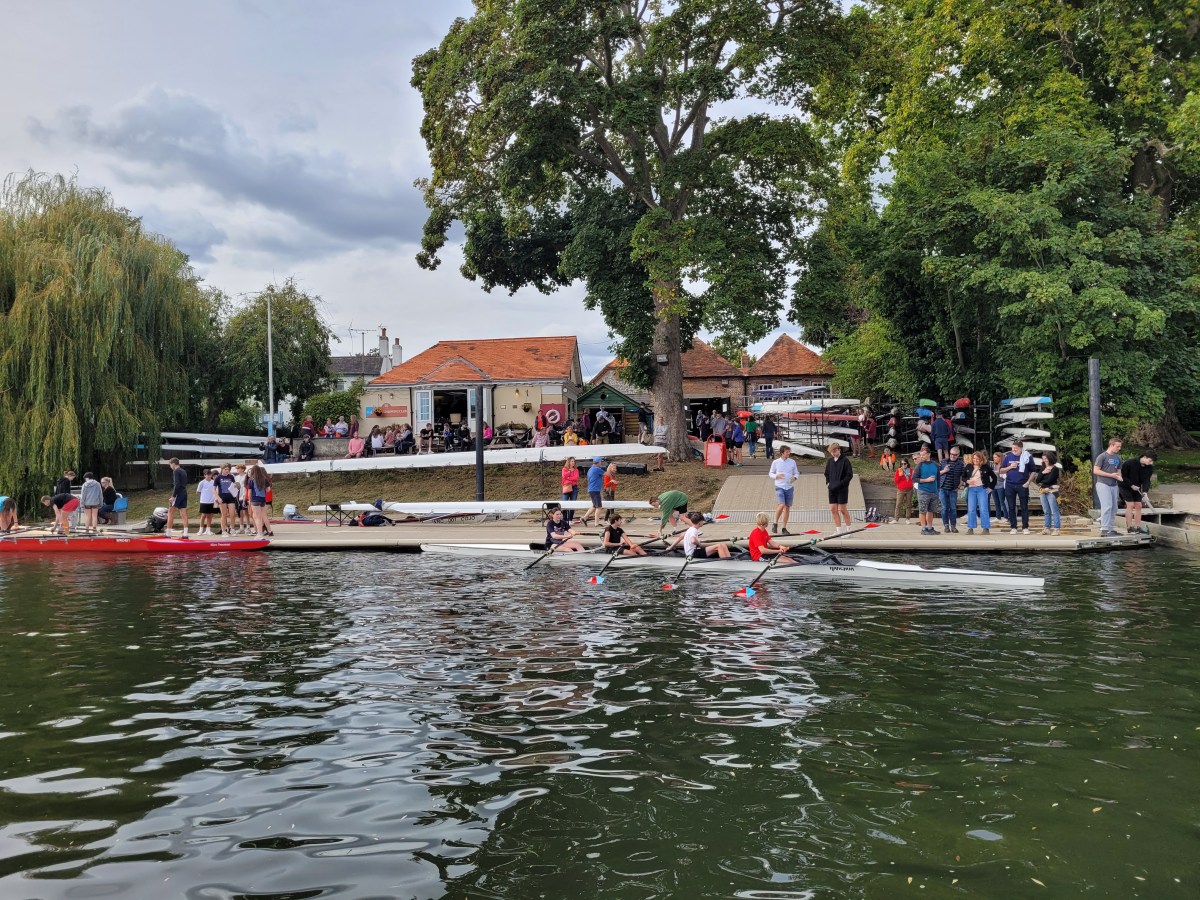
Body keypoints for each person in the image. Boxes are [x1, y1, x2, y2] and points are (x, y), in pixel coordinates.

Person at [999, 439, 1034, 534]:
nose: (1014, 449)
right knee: (1011, 506)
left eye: (1016, 448)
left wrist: (1028, 482)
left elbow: (1033, 471)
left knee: (1024, 507)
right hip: (1010, 485)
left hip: (1022, 484)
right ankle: (1013, 527)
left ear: (1021, 448)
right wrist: (1010, 467)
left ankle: (1025, 527)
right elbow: (1001, 471)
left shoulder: (1027, 457)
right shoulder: (1008, 457)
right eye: (1013, 448)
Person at [1092, 437, 1124, 537]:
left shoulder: (1118, 458)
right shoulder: (1102, 456)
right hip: (1103, 484)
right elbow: (1096, 471)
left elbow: (1118, 471)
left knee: (1114, 507)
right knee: (1107, 505)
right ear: (1111, 445)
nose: (1119, 448)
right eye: (1117, 446)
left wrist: (1120, 478)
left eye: (1120, 446)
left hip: (1114, 485)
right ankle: (1104, 529)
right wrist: (1111, 475)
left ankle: (1110, 528)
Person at [1119, 450, 1156, 534]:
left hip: (1137, 487)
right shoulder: (1129, 463)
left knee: (1139, 505)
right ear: (1144, 457)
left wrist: (1145, 492)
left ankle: (1138, 527)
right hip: (1125, 485)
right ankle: (1129, 527)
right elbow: (1122, 476)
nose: (1151, 463)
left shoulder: (1149, 468)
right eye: (1150, 460)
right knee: (1130, 505)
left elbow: (1147, 481)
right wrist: (1131, 485)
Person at [769, 444, 800, 534]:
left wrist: (795, 478)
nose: (788, 453)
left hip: (789, 487)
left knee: (787, 507)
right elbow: (770, 473)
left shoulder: (792, 462)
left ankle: (784, 528)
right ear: (782, 453)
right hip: (779, 486)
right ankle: (775, 523)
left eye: (789, 452)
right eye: (787, 452)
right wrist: (776, 476)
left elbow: (796, 473)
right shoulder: (776, 462)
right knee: (781, 504)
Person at [823, 442, 853, 534]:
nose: (833, 453)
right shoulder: (830, 461)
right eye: (831, 452)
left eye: (834, 451)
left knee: (842, 510)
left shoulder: (845, 460)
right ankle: (839, 530)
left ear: (839, 450)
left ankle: (849, 531)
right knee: (833, 509)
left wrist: (841, 484)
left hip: (842, 489)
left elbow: (849, 475)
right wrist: (828, 483)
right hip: (832, 489)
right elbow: (826, 473)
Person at [963, 450, 994, 535]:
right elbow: (963, 477)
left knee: (983, 508)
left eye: (977, 458)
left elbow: (994, 477)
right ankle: (971, 528)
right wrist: (967, 481)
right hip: (971, 489)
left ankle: (986, 528)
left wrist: (991, 487)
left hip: (982, 489)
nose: (975, 460)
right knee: (971, 509)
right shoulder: (968, 466)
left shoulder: (985, 467)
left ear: (981, 459)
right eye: (974, 458)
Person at [937, 446, 965, 533]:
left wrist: (960, 485)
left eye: (955, 454)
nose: (953, 456)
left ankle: (953, 526)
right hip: (943, 488)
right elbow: (936, 473)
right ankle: (946, 526)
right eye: (951, 454)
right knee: (944, 508)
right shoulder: (943, 462)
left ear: (958, 455)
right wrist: (944, 470)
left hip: (953, 489)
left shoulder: (960, 464)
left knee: (953, 508)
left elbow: (964, 476)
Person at [914, 446, 941, 535]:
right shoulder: (919, 465)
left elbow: (938, 479)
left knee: (931, 510)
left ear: (929, 454)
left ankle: (929, 527)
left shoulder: (936, 465)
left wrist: (937, 490)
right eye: (921, 455)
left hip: (934, 492)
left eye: (923, 455)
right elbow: (914, 479)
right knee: (922, 510)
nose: (922, 456)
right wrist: (926, 480)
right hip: (923, 491)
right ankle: (923, 528)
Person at [1036, 450, 1063, 535]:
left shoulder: (1055, 469)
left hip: (1052, 491)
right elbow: (1037, 480)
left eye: (1046, 458)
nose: (1045, 460)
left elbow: (1049, 480)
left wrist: (1043, 478)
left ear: (1050, 458)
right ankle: (1047, 528)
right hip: (1043, 491)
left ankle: (1057, 529)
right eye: (1043, 459)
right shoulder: (1043, 468)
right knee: (1046, 511)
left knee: (1054, 510)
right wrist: (1044, 472)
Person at [247, 462, 273, 537]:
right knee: (264, 516)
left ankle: (260, 533)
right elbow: (268, 489)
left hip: (255, 500)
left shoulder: (251, 480)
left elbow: (250, 492)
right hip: (263, 499)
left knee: (257, 517)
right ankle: (269, 531)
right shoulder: (264, 479)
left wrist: (249, 501)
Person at [166, 458, 190, 538]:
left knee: (170, 512)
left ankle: (168, 533)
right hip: (184, 493)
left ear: (173, 463)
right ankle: (185, 534)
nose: (170, 467)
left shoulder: (176, 471)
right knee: (183, 514)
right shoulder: (183, 471)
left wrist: (173, 496)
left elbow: (177, 484)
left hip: (178, 494)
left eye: (170, 465)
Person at [582, 457, 607, 527]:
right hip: (595, 490)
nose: (601, 463)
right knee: (599, 507)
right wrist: (610, 468)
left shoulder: (590, 469)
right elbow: (607, 474)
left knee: (594, 506)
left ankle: (584, 518)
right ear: (598, 462)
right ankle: (596, 523)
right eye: (600, 462)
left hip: (591, 489)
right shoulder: (597, 469)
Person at [215, 464, 239, 534]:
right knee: (224, 514)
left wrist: (237, 486)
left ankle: (232, 528)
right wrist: (218, 498)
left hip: (231, 497)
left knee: (232, 514)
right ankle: (223, 530)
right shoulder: (218, 477)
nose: (227, 471)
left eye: (228, 469)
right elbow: (213, 490)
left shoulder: (231, 477)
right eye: (225, 469)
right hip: (222, 498)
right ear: (222, 469)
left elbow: (235, 486)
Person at [196, 468, 218, 536]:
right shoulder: (202, 482)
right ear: (204, 475)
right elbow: (198, 492)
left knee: (209, 516)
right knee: (203, 515)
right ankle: (201, 530)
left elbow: (216, 490)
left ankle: (208, 530)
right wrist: (203, 497)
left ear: (211, 475)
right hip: (204, 501)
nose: (208, 476)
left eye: (209, 475)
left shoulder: (214, 482)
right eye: (207, 475)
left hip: (211, 501)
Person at [893, 457, 915, 523]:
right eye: (901, 464)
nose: (903, 465)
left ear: (907, 464)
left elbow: (913, 479)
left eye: (904, 463)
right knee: (898, 504)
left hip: (909, 489)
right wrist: (900, 475)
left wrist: (913, 484)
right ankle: (896, 519)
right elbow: (896, 481)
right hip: (901, 489)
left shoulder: (911, 470)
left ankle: (907, 519)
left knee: (908, 504)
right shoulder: (898, 470)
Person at [990, 451, 1009, 522]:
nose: (994, 459)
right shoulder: (993, 465)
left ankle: (1006, 517)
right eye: (993, 457)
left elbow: (1004, 476)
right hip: (994, 486)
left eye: (995, 457)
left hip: (1001, 486)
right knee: (996, 502)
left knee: (1002, 502)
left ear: (1000, 458)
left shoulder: (1004, 466)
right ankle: (998, 517)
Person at [560, 456, 580, 524]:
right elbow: (564, 476)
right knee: (565, 503)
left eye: (574, 461)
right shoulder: (564, 469)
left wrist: (569, 478)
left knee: (572, 503)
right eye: (572, 461)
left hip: (574, 487)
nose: (573, 463)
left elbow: (576, 478)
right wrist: (569, 472)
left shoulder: (576, 470)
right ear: (569, 462)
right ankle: (564, 519)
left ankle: (570, 519)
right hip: (567, 487)